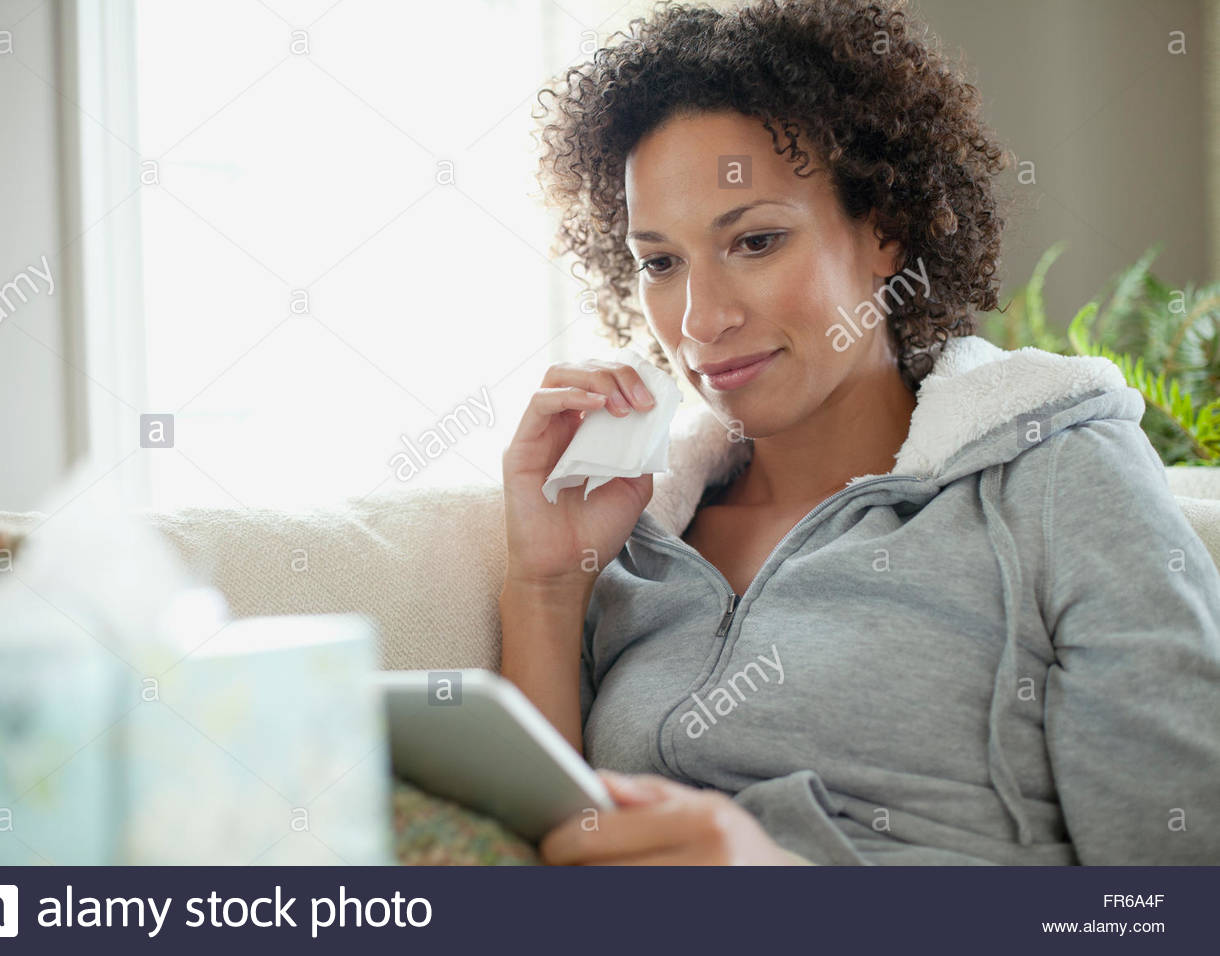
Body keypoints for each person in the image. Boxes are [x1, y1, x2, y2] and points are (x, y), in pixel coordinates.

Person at [499, 0, 1220, 865]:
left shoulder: (1060, 475)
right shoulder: (638, 534)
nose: (700, 319)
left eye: (756, 240)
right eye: (660, 262)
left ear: (886, 231)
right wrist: (546, 586)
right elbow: (536, 873)